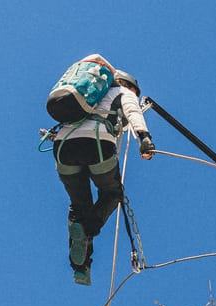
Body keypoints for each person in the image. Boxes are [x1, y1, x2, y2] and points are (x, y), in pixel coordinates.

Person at [52, 69, 155, 286]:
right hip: (97, 144)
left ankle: (80, 267)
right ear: (130, 86)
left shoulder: (87, 97)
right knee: (112, 192)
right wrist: (144, 138)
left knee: (78, 207)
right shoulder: (123, 92)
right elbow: (133, 112)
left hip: (63, 148)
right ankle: (88, 230)